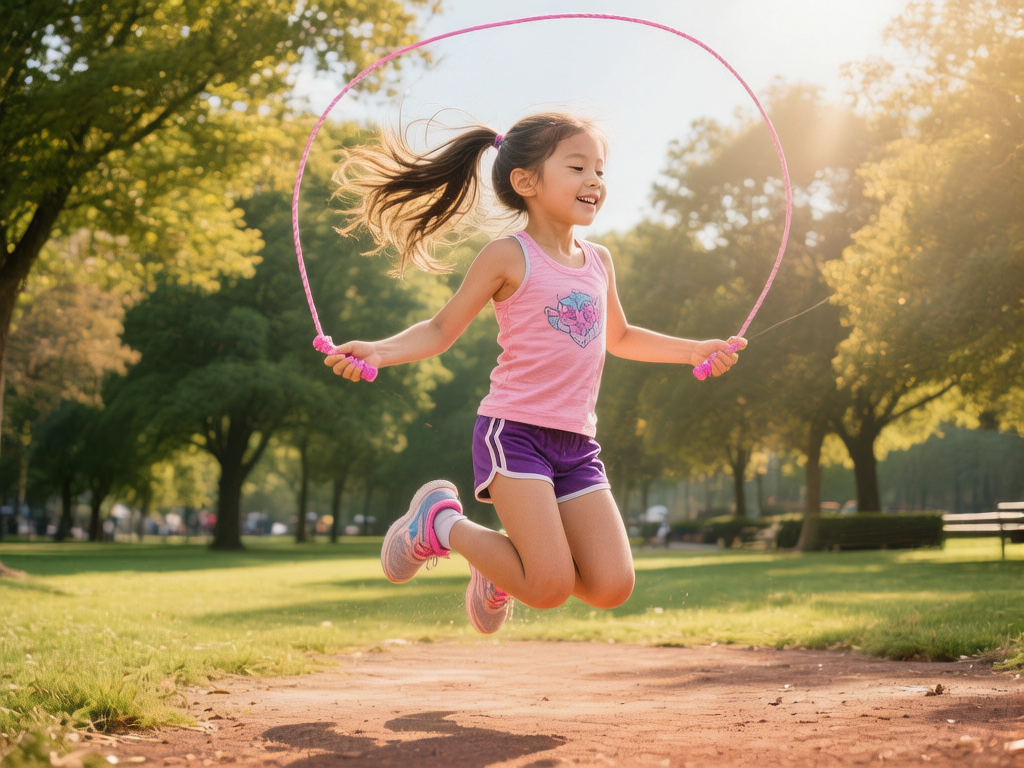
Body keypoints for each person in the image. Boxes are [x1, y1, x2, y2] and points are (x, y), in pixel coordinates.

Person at [325, 112, 746, 634]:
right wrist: (379, 352)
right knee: (548, 588)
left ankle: (499, 569)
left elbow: (621, 338)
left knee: (612, 586)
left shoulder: (600, 262)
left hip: (577, 444)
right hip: (514, 433)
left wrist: (693, 350)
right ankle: (440, 523)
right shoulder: (507, 255)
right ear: (526, 181)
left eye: (600, 170)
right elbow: (439, 330)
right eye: (577, 167)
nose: (594, 181)